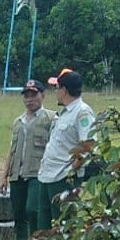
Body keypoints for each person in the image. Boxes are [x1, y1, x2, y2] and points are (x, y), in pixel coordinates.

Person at [36, 68, 95, 230]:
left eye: (57, 88)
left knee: (64, 225)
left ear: (64, 90)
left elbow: (88, 145)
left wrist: (71, 172)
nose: (55, 92)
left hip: (63, 177)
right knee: (44, 224)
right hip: (47, 175)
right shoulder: (65, 113)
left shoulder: (82, 112)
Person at [0, 79, 57, 240]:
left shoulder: (51, 119)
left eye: (33, 95)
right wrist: (4, 176)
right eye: (26, 96)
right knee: (18, 213)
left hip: (37, 173)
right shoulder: (18, 121)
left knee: (32, 210)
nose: (29, 99)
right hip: (17, 174)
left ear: (43, 96)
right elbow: (12, 150)